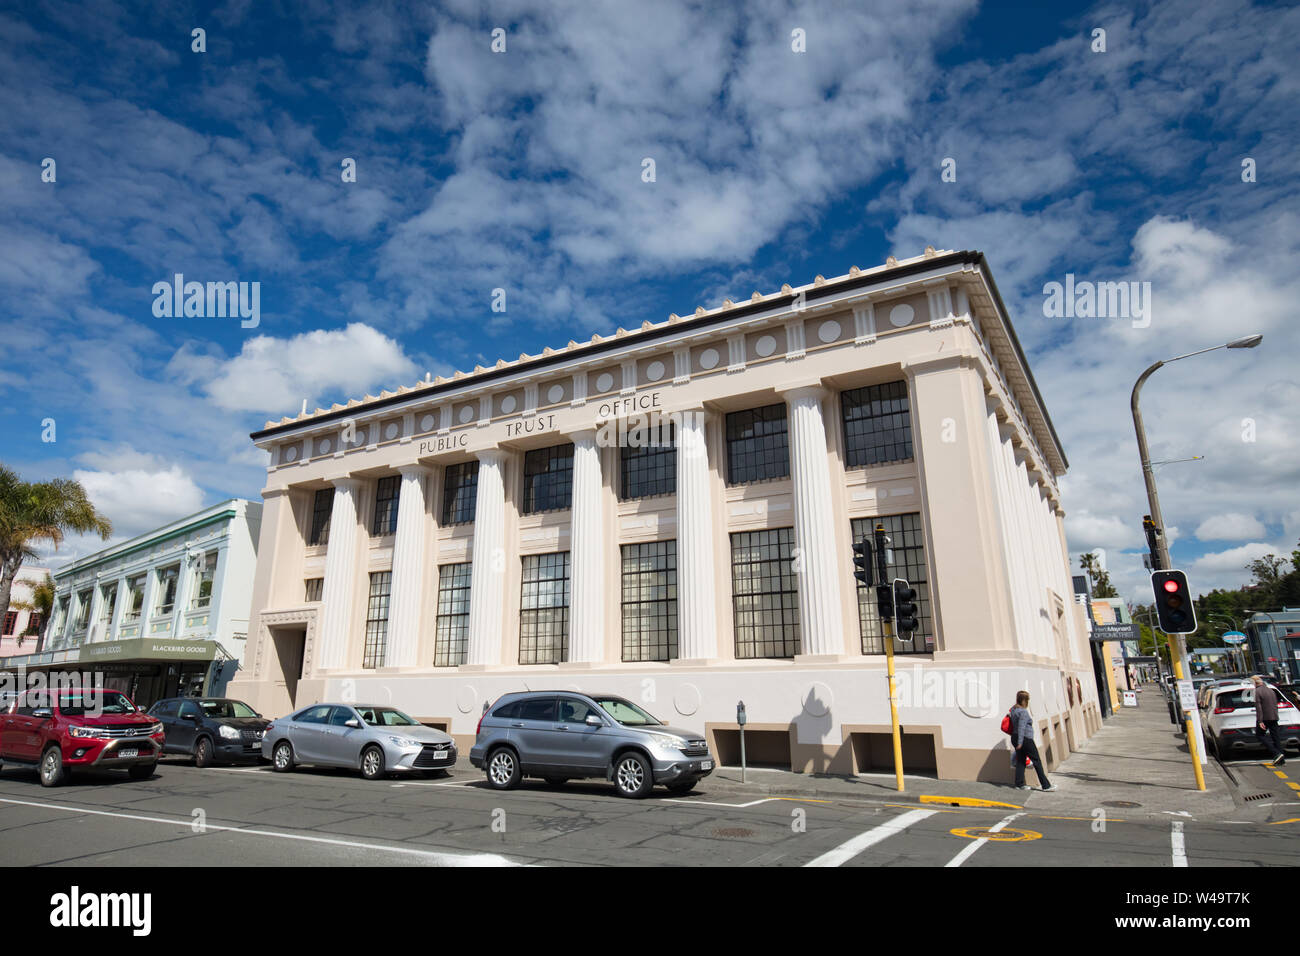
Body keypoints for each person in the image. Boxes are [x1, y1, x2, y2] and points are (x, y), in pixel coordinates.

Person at [1009, 690, 1057, 791]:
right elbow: (1021, 727)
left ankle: (1019, 784)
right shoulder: (1023, 712)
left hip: (1015, 736)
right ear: (1024, 700)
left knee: (1021, 761)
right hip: (1025, 739)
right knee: (1037, 761)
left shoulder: (1013, 709)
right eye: (1027, 700)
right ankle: (1046, 785)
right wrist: (1020, 742)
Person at [1252, 675, 1286, 765]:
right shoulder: (1271, 690)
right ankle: (1282, 760)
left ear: (1255, 683)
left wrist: (1260, 721)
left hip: (1265, 718)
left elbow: (1259, 707)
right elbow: (1275, 704)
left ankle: (1276, 753)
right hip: (1274, 716)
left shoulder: (1257, 692)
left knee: (1260, 735)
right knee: (1276, 737)